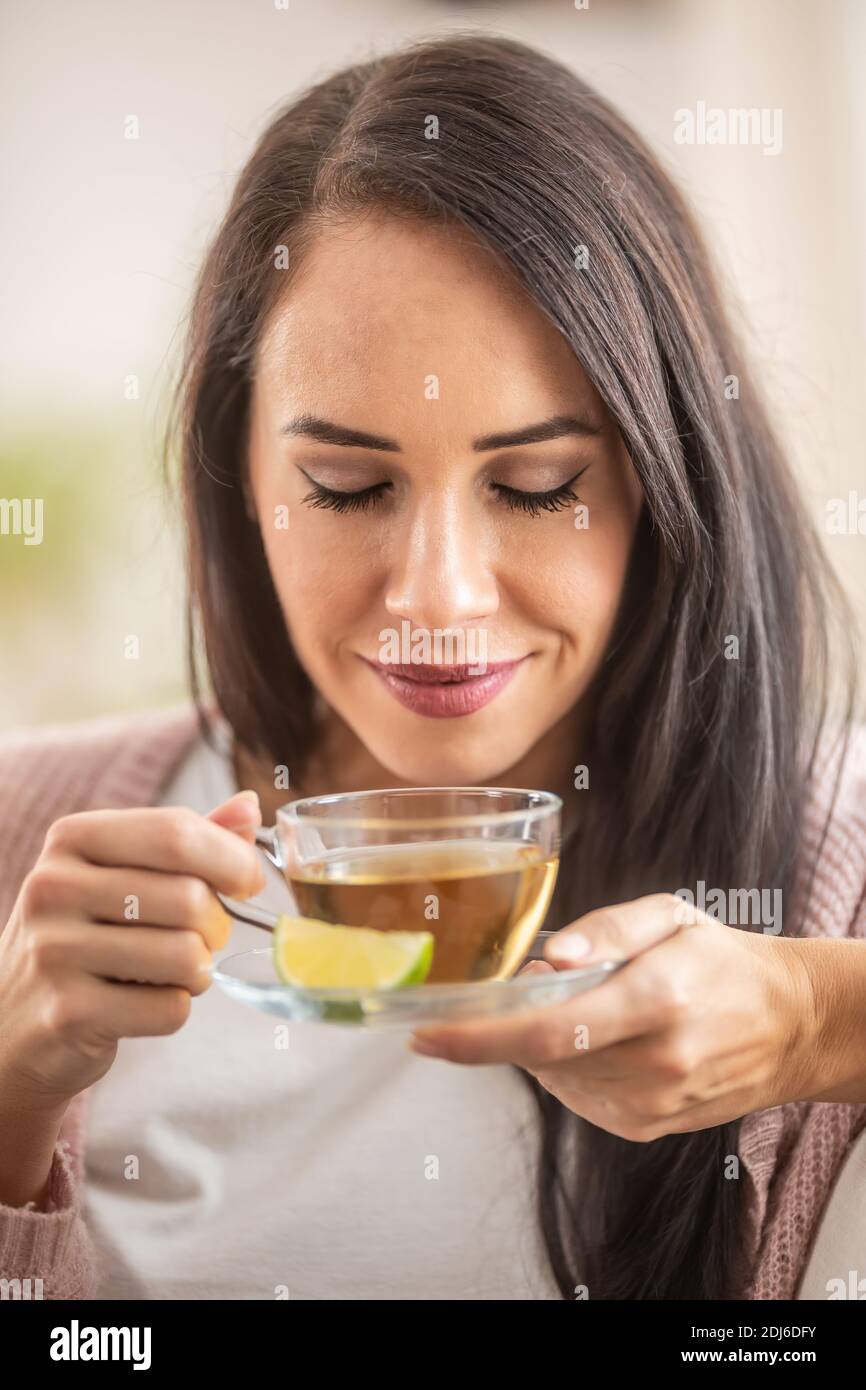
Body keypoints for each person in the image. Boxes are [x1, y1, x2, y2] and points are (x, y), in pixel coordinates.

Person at [1, 33, 865, 1302]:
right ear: (239, 479)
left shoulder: (831, 868)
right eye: (346, 487)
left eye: (534, 486)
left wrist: (814, 1018)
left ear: (663, 484)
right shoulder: (29, 829)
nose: (436, 596)